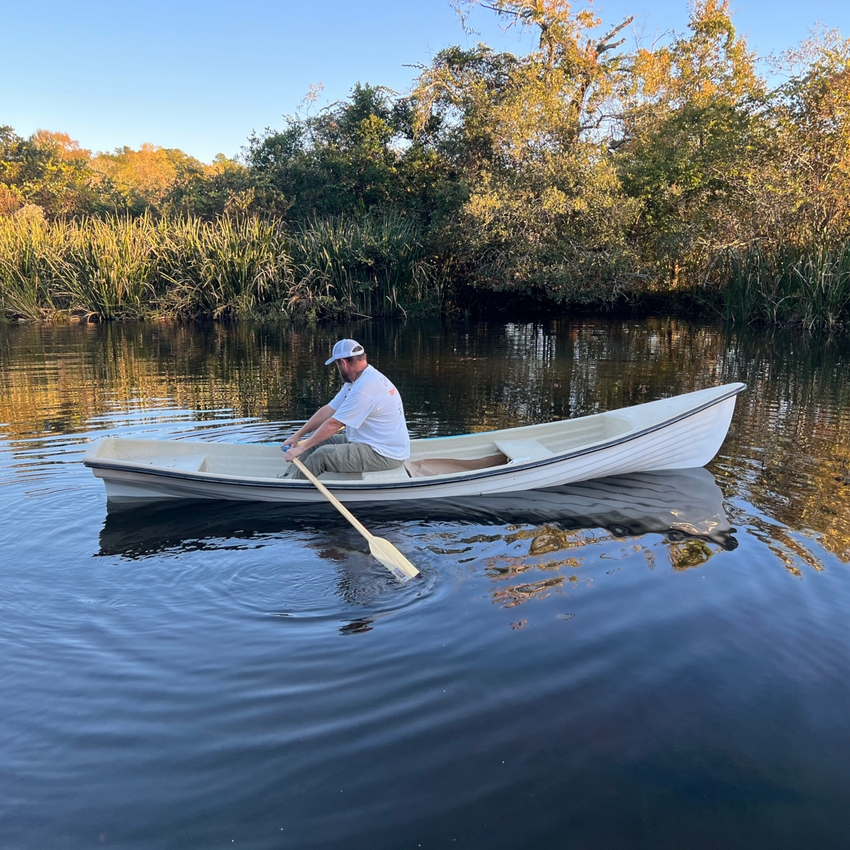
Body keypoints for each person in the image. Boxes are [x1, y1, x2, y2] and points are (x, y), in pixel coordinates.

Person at [280, 339, 410, 479]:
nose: (337, 370)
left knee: (322, 455)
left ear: (343, 362)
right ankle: (286, 478)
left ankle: (290, 488)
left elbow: (334, 424)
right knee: (316, 442)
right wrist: (298, 436)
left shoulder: (365, 387)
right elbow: (329, 410)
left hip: (384, 453)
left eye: (336, 365)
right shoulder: (357, 380)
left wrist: (301, 448)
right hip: (368, 441)